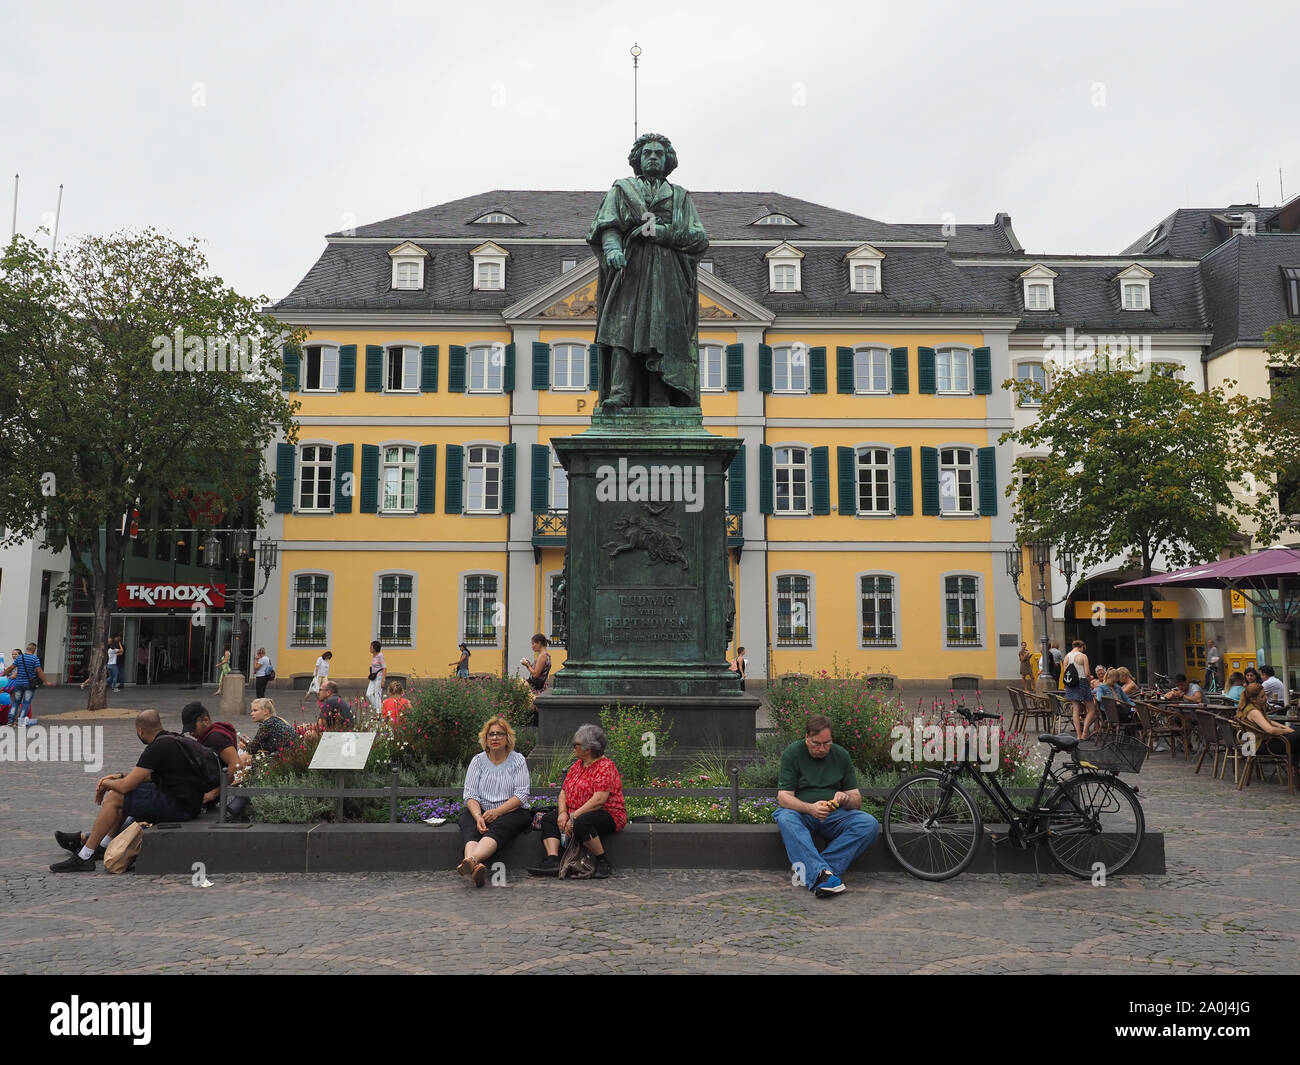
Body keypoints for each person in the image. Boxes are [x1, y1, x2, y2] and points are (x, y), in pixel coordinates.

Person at [587, 132, 709, 411]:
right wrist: (613, 250)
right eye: (647, 153)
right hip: (630, 270)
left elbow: (699, 238)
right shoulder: (621, 190)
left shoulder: (680, 197)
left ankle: (660, 397)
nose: (653, 157)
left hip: (668, 275)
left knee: (662, 334)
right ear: (637, 159)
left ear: (668, 160)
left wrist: (664, 232)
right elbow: (608, 226)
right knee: (622, 329)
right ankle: (619, 393)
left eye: (659, 153)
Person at [49, 710, 206, 872]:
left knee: (116, 797)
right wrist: (119, 776)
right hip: (190, 803)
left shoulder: (156, 748)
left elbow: (126, 786)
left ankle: (84, 857)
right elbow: (145, 776)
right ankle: (103, 845)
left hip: (180, 808)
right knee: (125, 794)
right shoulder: (171, 740)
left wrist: (105, 784)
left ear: (140, 731)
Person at [773, 714, 879, 898]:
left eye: (827, 743)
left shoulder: (841, 755)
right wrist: (810, 808)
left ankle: (821, 872)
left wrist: (846, 798)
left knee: (868, 823)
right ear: (807, 738)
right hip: (803, 813)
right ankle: (823, 875)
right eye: (816, 744)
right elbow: (784, 798)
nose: (822, 749)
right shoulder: (793, 752)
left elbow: (856, 800)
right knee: (785, 818)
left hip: (834, 814)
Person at [527, 724, 625, 879]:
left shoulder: (605, 767)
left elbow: (599, 800)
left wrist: (573, 816)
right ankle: (553, 860)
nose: (573, 747)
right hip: (575, 811)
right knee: (549, 819)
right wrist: (562, 813)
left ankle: (602, 860)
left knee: (581, 822)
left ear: (588, 749)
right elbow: (564, 791)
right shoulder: (577, 766)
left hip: (606, 814)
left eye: (576, 744)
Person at [457, 716, 532, 887]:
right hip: (482, 810)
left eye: (500, 734)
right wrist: (478, 816)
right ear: (486, 739)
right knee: (469, 823)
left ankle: (472, 860)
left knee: (499, 826)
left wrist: (497, 812)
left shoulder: (518, 760)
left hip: (511, 811)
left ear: (507, 738)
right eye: (491, 734)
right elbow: (470, 794)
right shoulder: (477, 761)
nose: (495, 738)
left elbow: (521, 795)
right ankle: (476, 867)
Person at [181, 701, 242, 807]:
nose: (191, 733)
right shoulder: (210, 735)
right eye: (188, 730)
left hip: (210, 794)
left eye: (193, 728)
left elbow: (237, 765)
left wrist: (214, 793)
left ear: (206, 720)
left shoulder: (215, 737)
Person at [1235, 682, 1298, 767]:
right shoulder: (1254, 712)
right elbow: (1270, 730)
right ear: (1253, 699)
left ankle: (1295, 767)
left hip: (1255, 744)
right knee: (1297, 735)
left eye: (1265, 694)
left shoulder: (1252, 707)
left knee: (1296, 733)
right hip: (1260, 746)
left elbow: (1269, 721)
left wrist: (1285, 727)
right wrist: (1288, 731)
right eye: (1262, 696)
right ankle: (1295, 767)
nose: (1266, 697)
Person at [4, 642, 52, 726]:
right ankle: (20, 722)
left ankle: (10, 721)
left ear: (27, 649)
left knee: (15, 702)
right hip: (29, 685)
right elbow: (39, 671)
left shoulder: (20, 658)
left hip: (18, 684)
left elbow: (10, 668)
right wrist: (46, 681)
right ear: (34, 650)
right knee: (26, 703)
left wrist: (2, 674)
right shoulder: (35, 659)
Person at [241, 697, 296, 763]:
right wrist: (249, 743)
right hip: (291, 755)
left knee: (244, 757)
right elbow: (261, 744)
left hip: (280, 759)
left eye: (255, 710)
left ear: (266, 712)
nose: (251, 713)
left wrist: (245, 746)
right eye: (252, 711)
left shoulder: (267, 725)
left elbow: (252, 750)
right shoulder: (277, 720)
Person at [1062, 640, 1094, 739]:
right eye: (1084, 648)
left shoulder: (1066, 656)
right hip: (1082, 682)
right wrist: (1090, 682)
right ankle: (1085, 732)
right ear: (1082, 647)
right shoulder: (1083, 656)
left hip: (1071, 684)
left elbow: (1065, 672)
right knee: (1092, 709)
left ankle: (1078, 735)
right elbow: (1087, 673)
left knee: (1075, 709)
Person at [367, 640, 386, 713]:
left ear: (374, 648)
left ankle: (379, 712)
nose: (369, 648)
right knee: (368, 694)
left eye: (371, 647)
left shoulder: (380, 656)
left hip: (379, 678)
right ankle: (379, 707)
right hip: (373, 678)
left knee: (377, 694)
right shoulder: (374, 655)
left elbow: (384, 668)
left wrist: (383, 680)